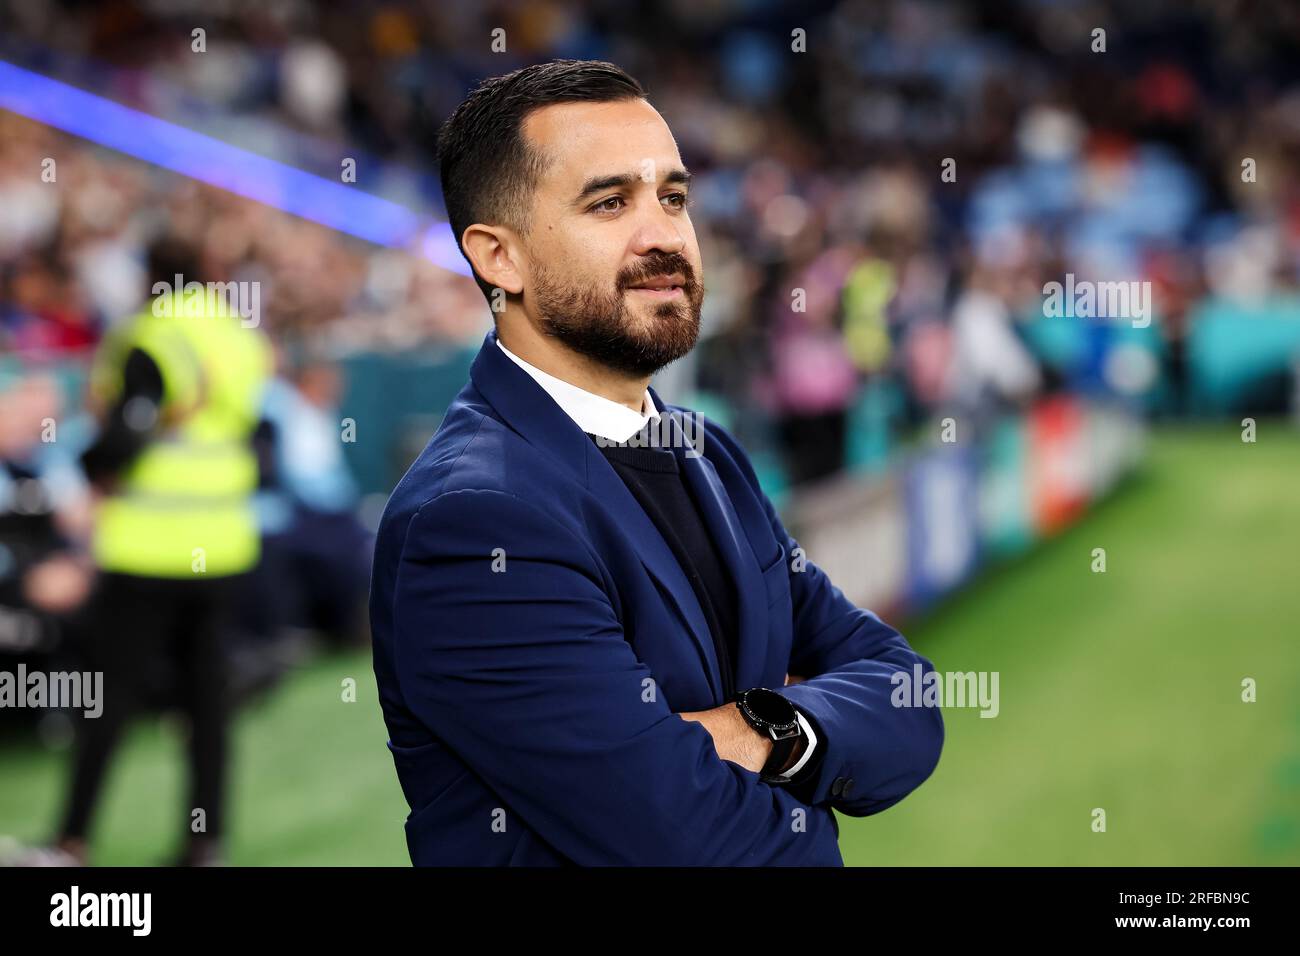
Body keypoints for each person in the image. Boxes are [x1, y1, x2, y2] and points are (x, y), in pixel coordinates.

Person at [370, 60, 944, 866]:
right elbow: (688, 841)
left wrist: (763, 731)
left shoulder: (709, 454)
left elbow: (909, 695)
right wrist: (807, 769)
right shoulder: (473, 520)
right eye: (609, 203)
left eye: (673, 198)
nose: (665, 236)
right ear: (500, 259)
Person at [20, 238, 271, 867]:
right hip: (221, 542)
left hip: (149, 547)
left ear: (153, 274)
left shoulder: (154, 336)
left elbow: (126, 436)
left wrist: (91, 467)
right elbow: (255, 437)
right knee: (206, 704)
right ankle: (206, 843)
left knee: (108, 701)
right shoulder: (235, 335)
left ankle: (71, 842)